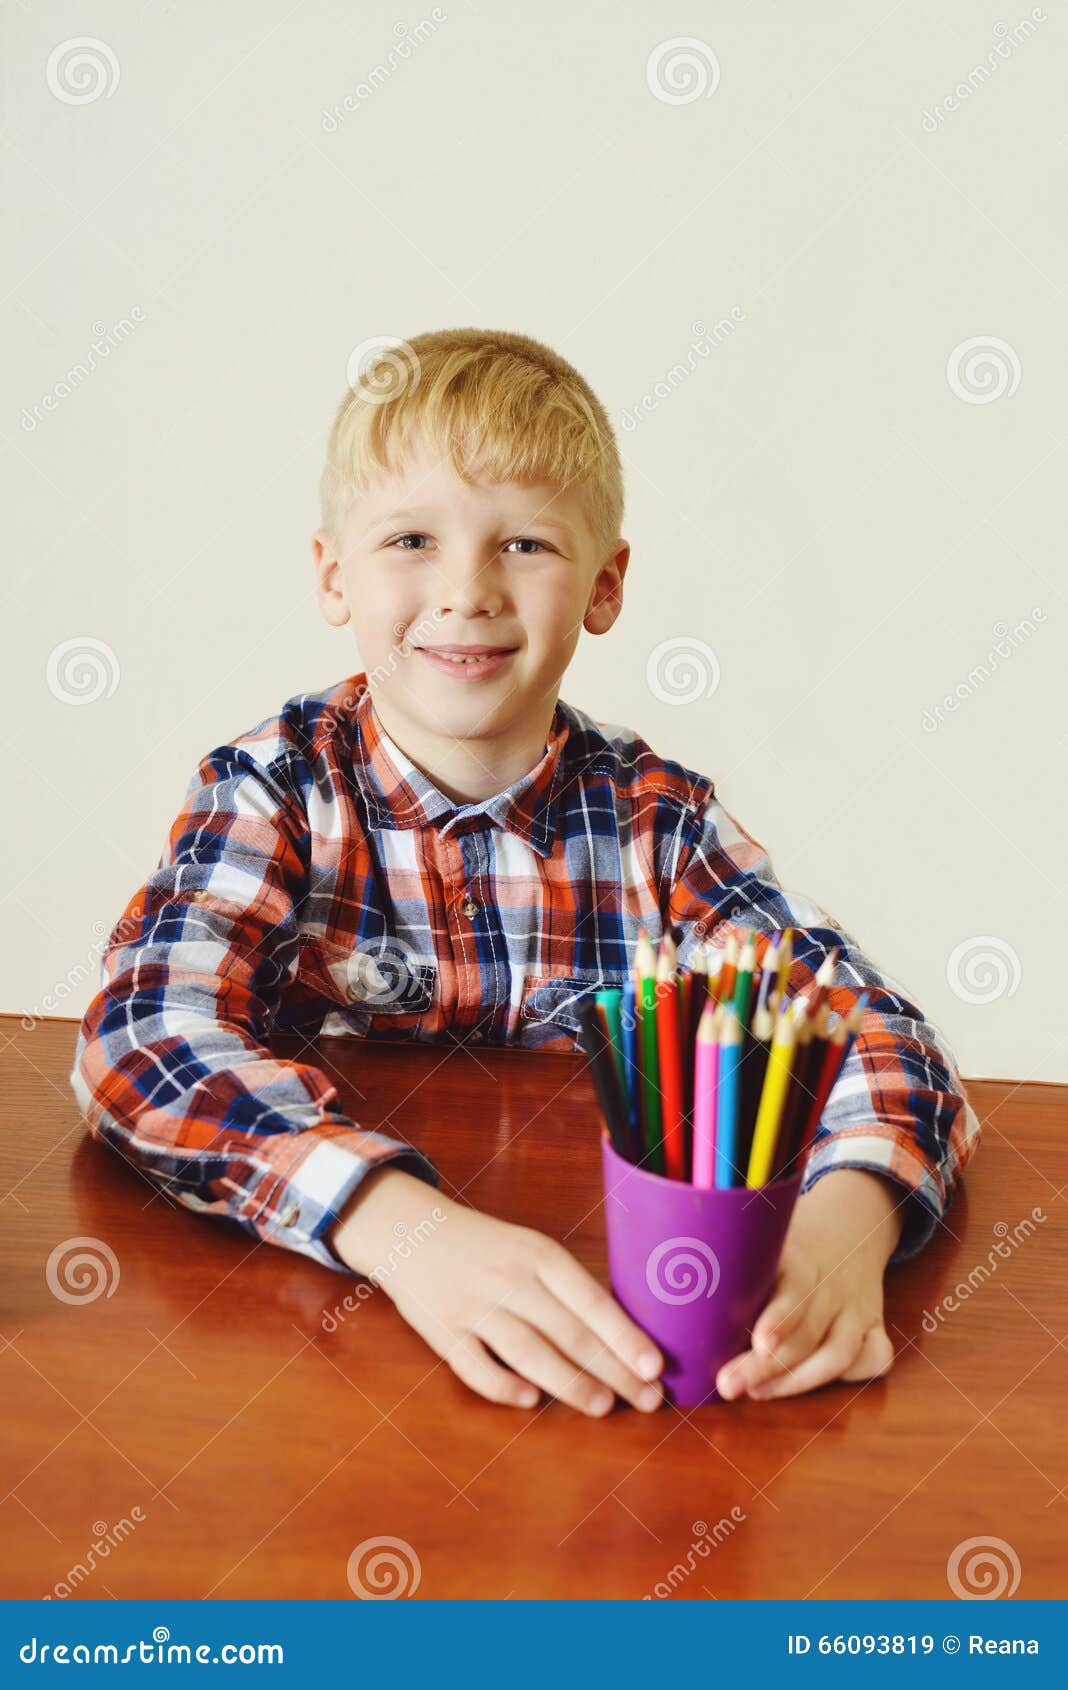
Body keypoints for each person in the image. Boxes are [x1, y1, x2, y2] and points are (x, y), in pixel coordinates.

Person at [70, 327, 981, 1415]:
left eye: (526, 546)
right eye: (411, 538)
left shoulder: (660, 825)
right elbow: (143, 1039)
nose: (466, 591)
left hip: (620, 1339)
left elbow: (874, 1034)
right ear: (333, 576)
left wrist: (846, 1224)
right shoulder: (275, 790)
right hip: (326, 1335)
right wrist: (401, 1226)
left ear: (604, 584)